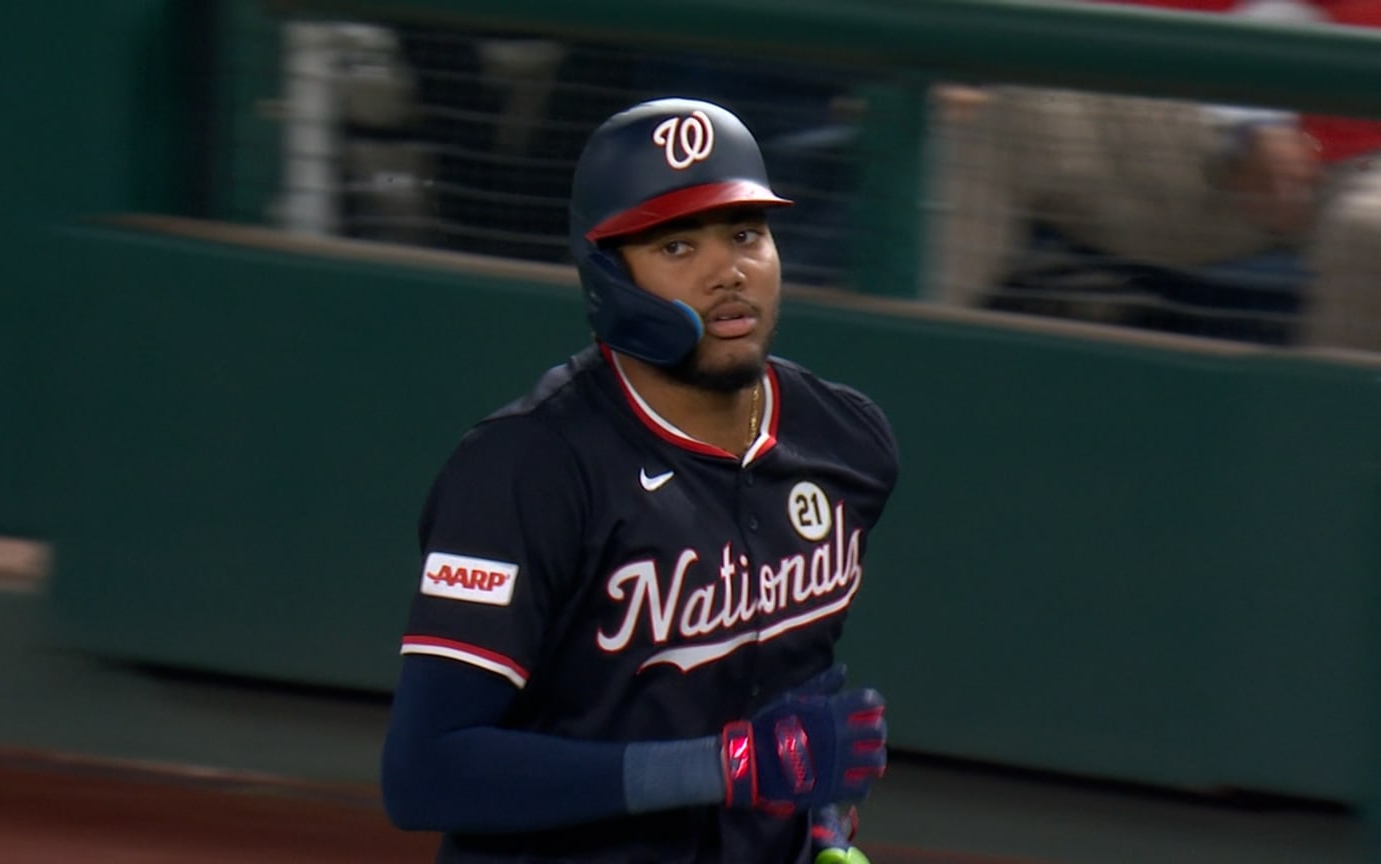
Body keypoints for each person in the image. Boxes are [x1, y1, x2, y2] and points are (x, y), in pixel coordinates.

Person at [381, 97, 900, 863]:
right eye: (677, 246)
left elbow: (781, 698)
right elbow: (426, 773)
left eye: (746, 235)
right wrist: (722, 769)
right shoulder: (527, 470)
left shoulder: (845, 441)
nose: (729, 270)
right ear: (609, 278)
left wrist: (815, 817)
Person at [928, 0, 1381, 352]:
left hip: (1364, 162)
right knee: (1018, 114)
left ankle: (1324, 455)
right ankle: (879, 399)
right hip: (1227, 148)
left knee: (1369, 232)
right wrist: (982, 63)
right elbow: (1121, 22)